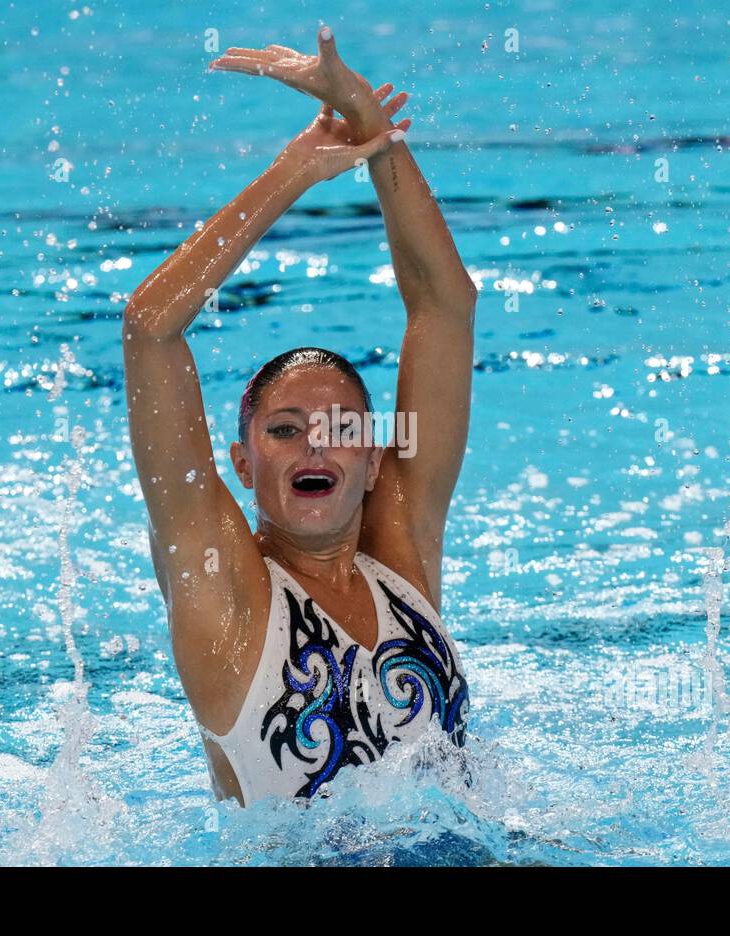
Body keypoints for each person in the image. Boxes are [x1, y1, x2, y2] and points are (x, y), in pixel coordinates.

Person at [122, 25, 477, 807]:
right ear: (242, 461)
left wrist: (374, 131)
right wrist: (294, 172)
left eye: (342, 428)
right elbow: (151, 327)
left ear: (375, 457)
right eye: (283, 428)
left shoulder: (402, 559)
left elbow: (446, 305)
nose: (315, 443)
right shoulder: (222, 589)